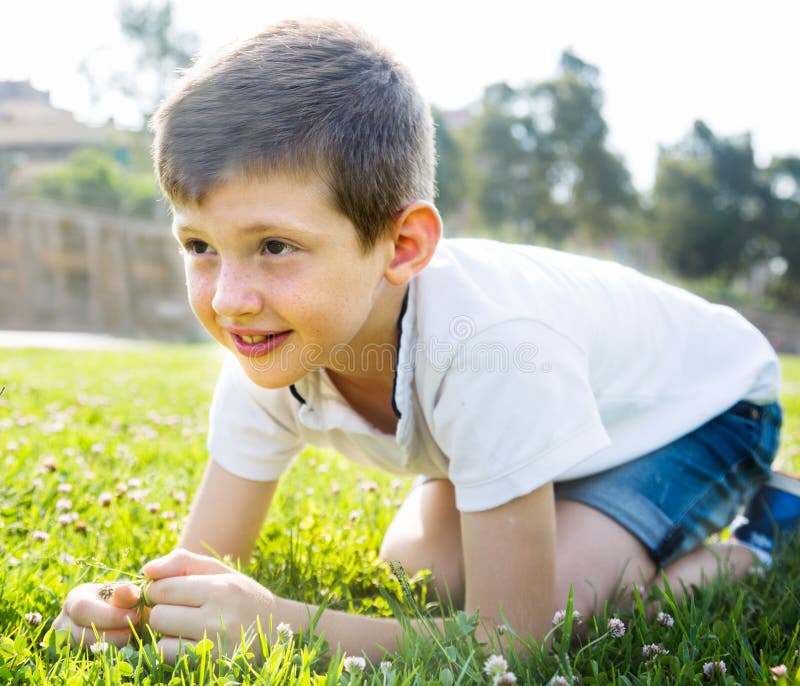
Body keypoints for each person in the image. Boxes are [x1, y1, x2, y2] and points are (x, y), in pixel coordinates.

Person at [54, 18, 788, 664]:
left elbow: (511, 644)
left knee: (563, 609)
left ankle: (753, 551)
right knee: (418, 567)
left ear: (402, 245)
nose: (228, 299)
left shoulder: (495, 351)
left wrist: (280, 624)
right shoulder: (265, 342)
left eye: (275, 246)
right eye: (200, 245)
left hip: (708, 412)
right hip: (569, 417)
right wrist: (132, 609)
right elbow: (208, 560)